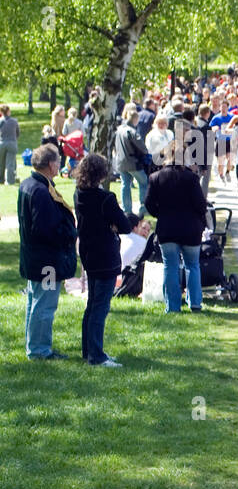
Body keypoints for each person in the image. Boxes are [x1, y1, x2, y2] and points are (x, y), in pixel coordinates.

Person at [19, 143, 78, 360]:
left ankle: (34, 345)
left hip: (35, 256)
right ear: (51, 164)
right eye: (58, 161)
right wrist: (67, 235)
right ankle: (39, 350)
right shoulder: (41, 191)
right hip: (46, 260)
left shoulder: (29, 184)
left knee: (35, 301)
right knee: (44, 305)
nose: (59, 165)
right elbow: (44, 227)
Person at [72, 154, 133, 367]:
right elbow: (124, 225)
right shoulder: (106, 198)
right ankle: (96, 355)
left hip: (89, 253)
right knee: (100, 306)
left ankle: (89, 350)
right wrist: (112, 225)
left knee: (92, 305)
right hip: (105, 255)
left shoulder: (79, 194)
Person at [145, 144, 208, 314]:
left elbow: (149, 204)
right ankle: (195, 303)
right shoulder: (191, 178)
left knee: (170, 266)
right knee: (193, 265)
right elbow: (201, 206)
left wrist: (161, 214)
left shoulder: (155, 177)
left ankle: (172, 306)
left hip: (167, 227)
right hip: (190, 228)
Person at [112, 103, 152, 216]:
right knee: (144, 182)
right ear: (135, 119)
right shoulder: (132, 132)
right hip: (133, 162)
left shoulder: (119, 130)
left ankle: (127, 209)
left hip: (121, 162)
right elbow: (143, 148)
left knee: (125, 185)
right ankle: (143, 207)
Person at [1, 104, 20, 185]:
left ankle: (1, 179)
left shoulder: (0, 121)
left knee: (1, 163)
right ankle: (9, 180)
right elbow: (18, 133)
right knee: (10, 164)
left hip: (2, 142)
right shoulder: (14, 121)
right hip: (12, 142)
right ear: (8, 111)